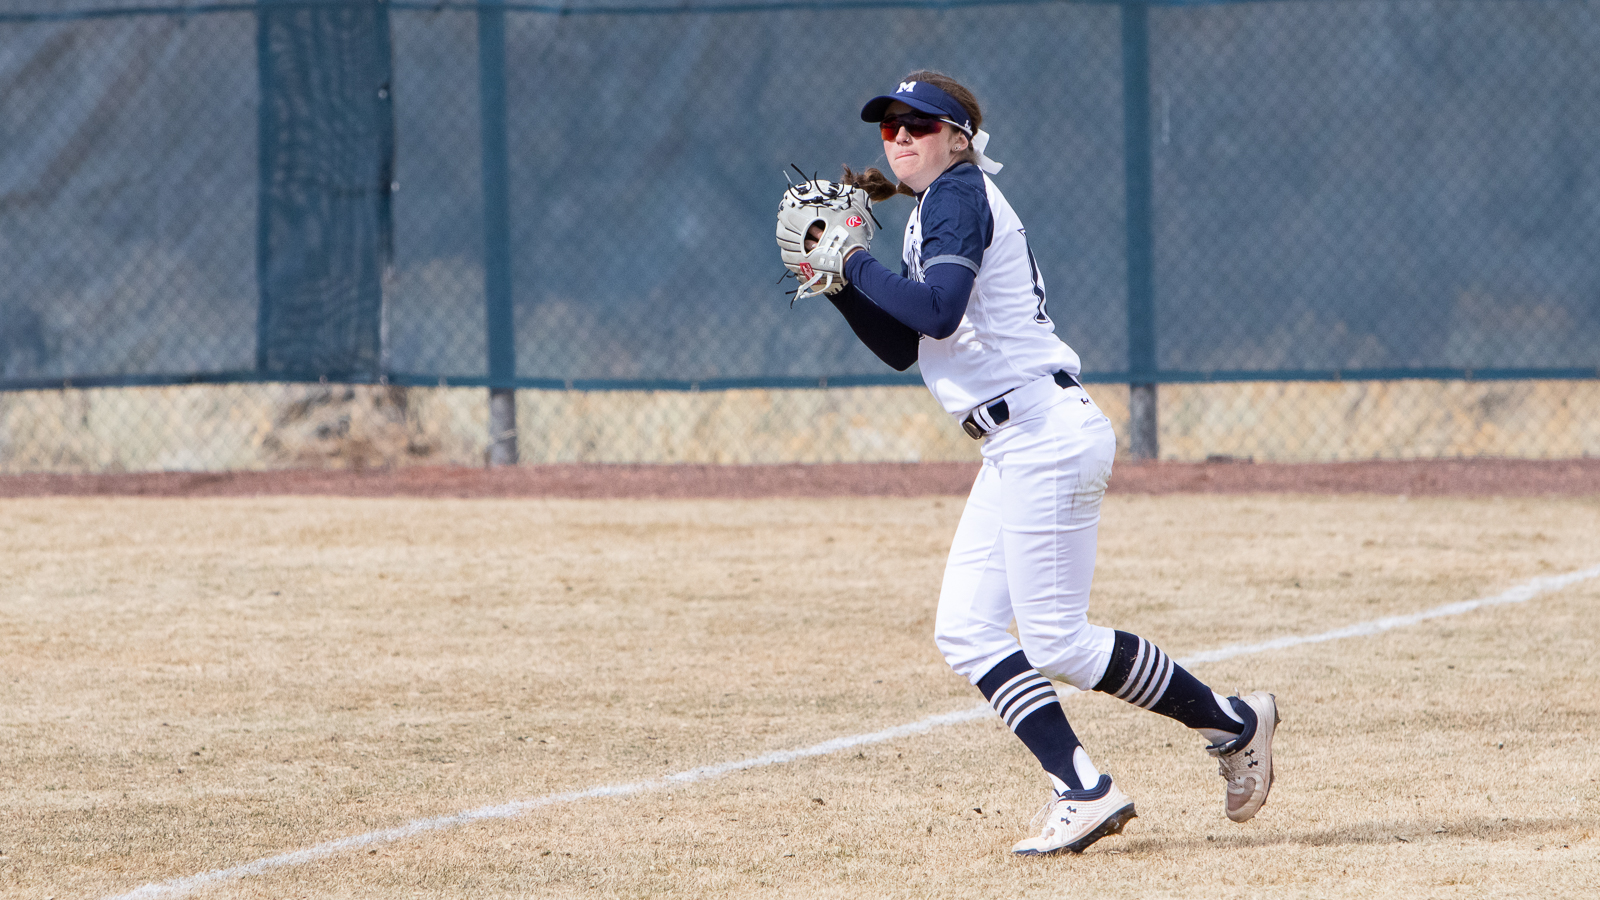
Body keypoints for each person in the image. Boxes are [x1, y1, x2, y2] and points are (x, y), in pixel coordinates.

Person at [812, 71, 1279, 856]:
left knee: (1057, 640)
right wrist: (836, 282)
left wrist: (855, 262)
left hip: (1041, 431)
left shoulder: (958, 195)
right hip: (1017, 439)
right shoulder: (937, 207)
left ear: (958, 137)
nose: (898, 137)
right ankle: (1093, 783)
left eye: (917, 125)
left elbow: (937, 310)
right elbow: (905, 345)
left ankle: (1222, 727)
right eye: (888, 126)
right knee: (967, 630)